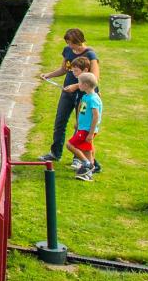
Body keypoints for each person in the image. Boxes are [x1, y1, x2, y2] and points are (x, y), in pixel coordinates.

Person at [38, 28, 100, 162]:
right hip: (68, 92)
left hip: (85, 95)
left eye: (72, 43)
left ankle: (78, 158)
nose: (70, 46)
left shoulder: (91, 55)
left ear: (79, 41)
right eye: (68, 43)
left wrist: (76, 86)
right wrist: (48, 75)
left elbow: (94, 78)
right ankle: (55, 153)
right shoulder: (67, 51)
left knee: (81, 125)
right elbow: (64, 69)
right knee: (60, 122)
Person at [67, 72, 103, 181]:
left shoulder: (93, 99)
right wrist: (77, 122)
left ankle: (86, 163)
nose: (78, 85)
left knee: (70, 145)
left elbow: (96, 116)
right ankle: (88, 174)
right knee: (87, 151)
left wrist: (91, 133)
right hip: (82, 128)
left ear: (86, 85)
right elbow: (81, 109)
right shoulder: (85, 96)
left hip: (87, 130)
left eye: (79, 83)